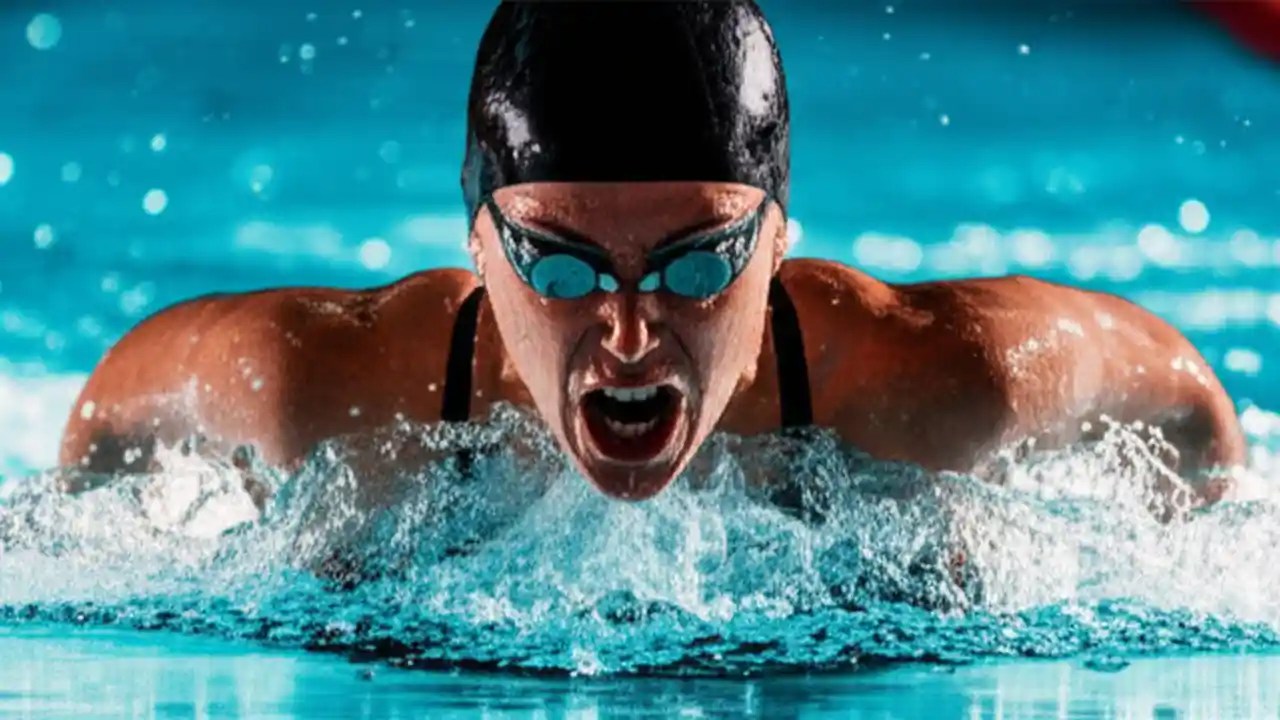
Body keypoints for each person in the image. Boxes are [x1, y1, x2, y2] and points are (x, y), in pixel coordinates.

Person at [58, 1, 1244, 512]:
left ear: (777, 243)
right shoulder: (326, 392)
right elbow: (109, 417)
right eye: (562, 269)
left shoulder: (936, 383)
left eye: (693, 263)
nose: (627, 332)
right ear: (477, 245)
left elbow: (1186, 403)